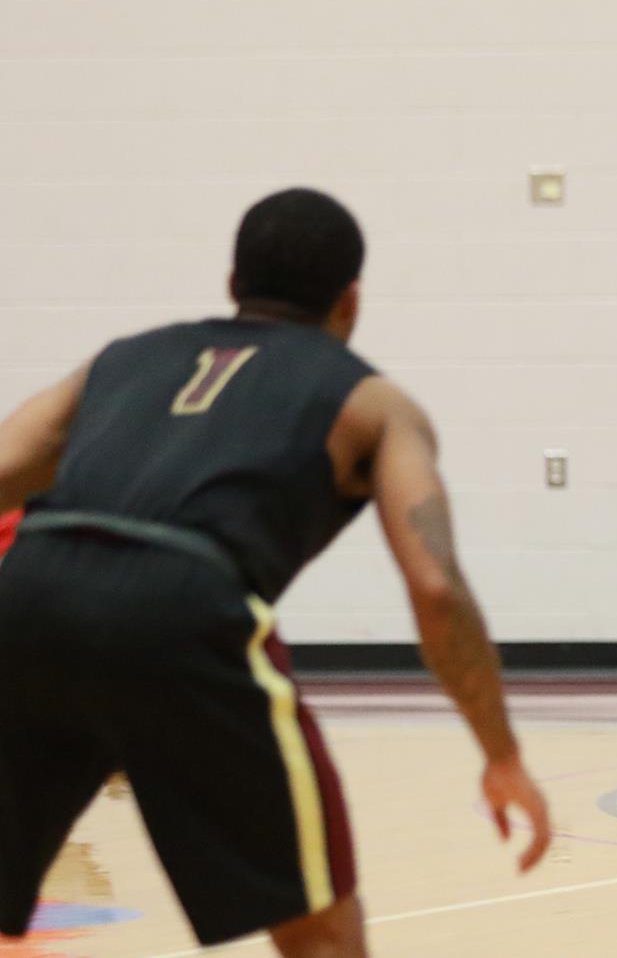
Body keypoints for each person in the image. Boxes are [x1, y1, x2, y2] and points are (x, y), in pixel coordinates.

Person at [0, 188, 552, 958]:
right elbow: (435, 586)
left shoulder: (120, 359)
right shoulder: (372, 400)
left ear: (232, 283)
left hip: (24, 592)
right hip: (183, 607)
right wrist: (501, 753)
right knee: (319, 924)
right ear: (350, 300)